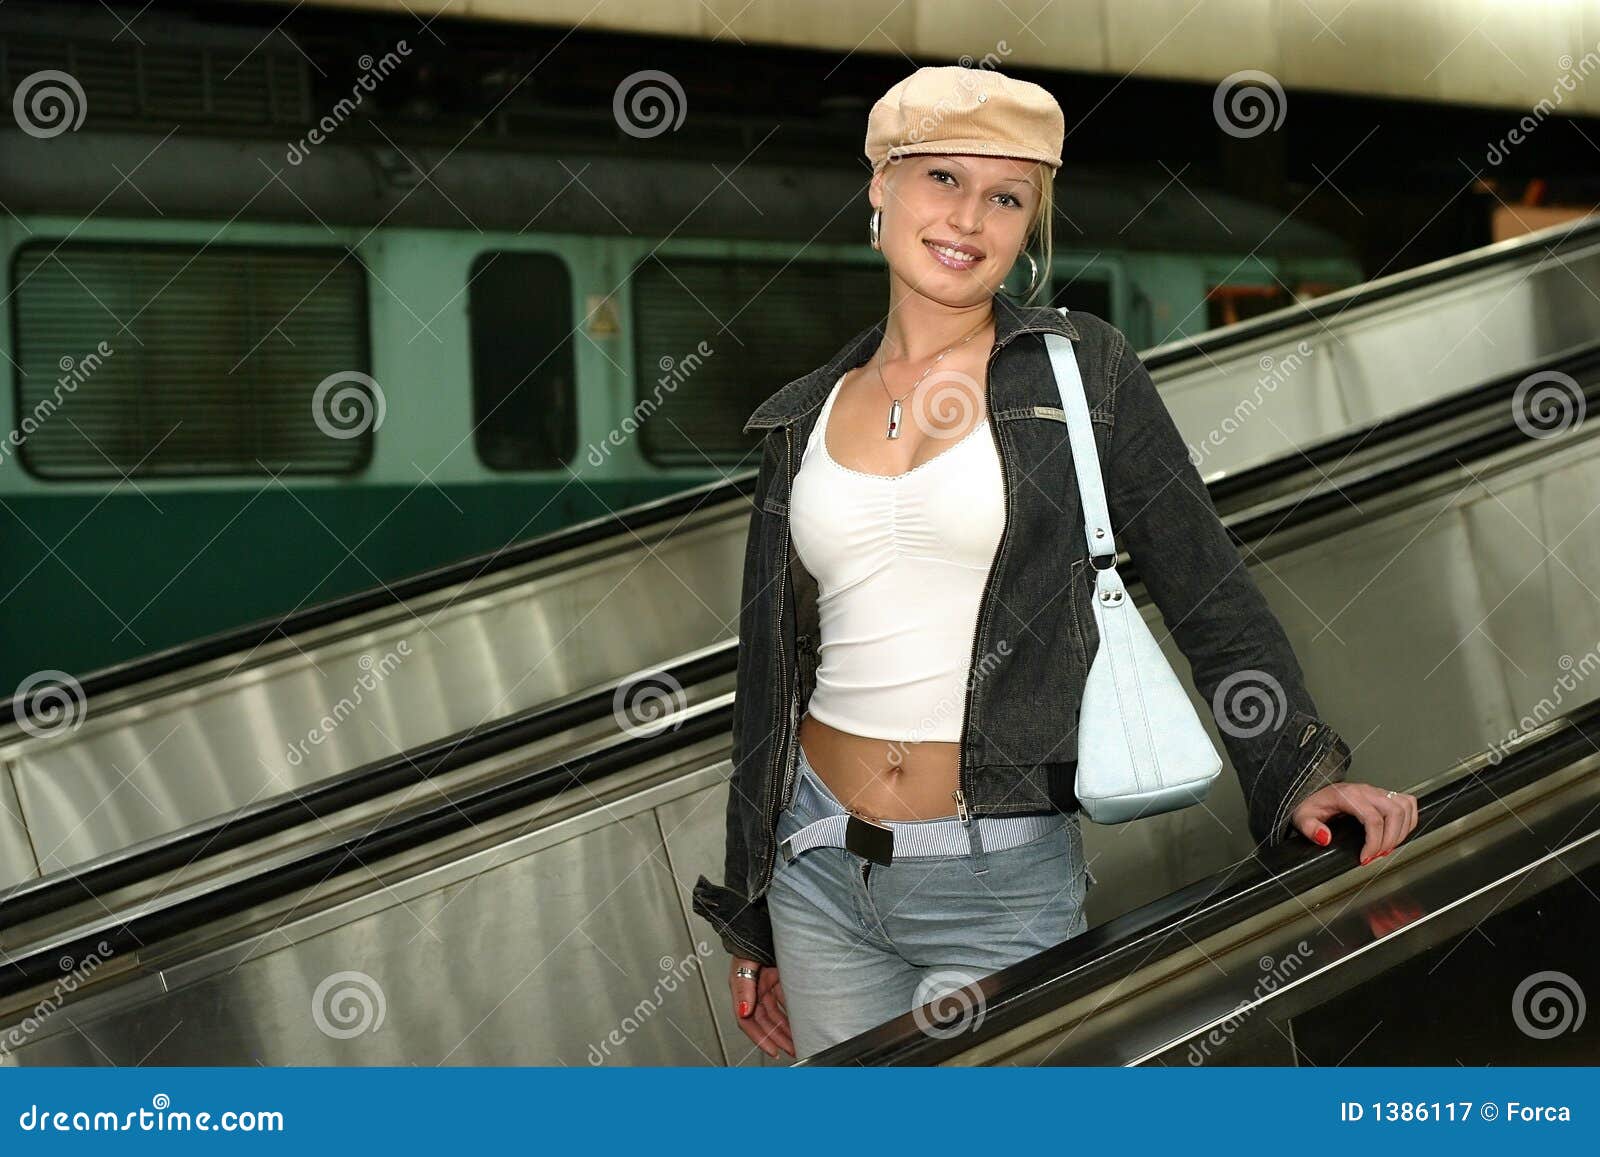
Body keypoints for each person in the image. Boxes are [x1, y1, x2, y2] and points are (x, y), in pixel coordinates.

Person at [691, 64, 1418, 1062]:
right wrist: (751, 910)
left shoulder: (1082, 371)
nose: (968, 219)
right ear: (880, 185)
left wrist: (1295, 773)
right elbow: (768, 676)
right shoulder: (801, 414)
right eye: (941, 177)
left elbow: (1205, 588)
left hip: (996, 879)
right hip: (816, 865)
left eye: (1005, 196)